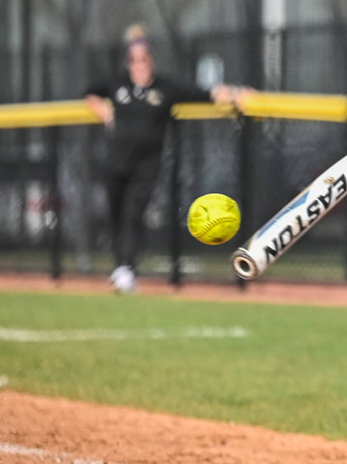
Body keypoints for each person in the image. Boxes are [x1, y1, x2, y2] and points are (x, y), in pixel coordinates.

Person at [84, 25, 249, 292]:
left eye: (144, 59)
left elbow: (206, 94)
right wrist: (102, 109)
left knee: (134, 213)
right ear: (129, 63)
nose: (140, 65)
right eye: (135, 60)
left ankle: (127, 268)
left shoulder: (165, 88)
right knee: (115, 215)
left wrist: (237, 93)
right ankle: (120, 265)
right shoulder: (117, 83)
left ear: (152, 61)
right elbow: (89, 92)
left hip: (146, 166)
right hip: (115, 162)